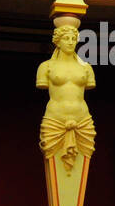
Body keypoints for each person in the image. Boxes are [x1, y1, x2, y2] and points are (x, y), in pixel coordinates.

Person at [37, 25, 95, 172]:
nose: (70, 42)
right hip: (55, 120)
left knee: (80, 165)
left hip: (83, 120)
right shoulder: (46, 66)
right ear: (57, 41)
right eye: (66, 38)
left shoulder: (86, 67)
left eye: (73, 39)